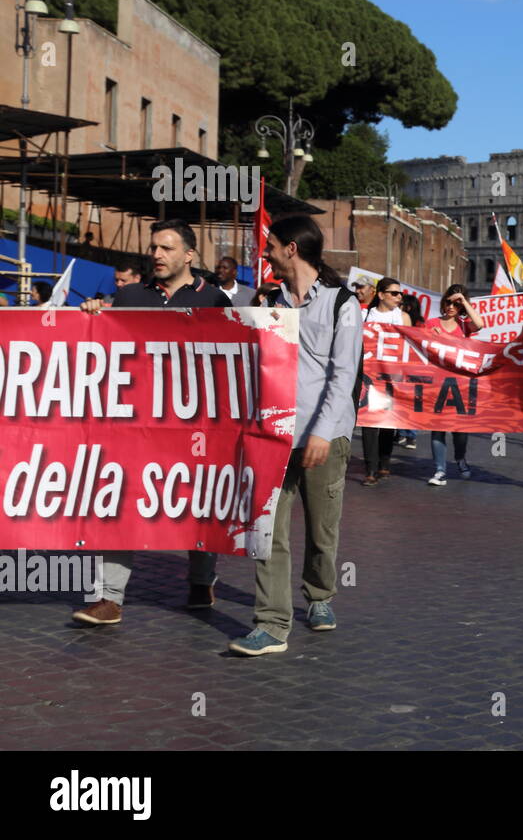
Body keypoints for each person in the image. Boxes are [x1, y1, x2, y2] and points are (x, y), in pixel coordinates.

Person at [71, 219, 232, 627]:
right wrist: (92, 315)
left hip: (194, 424)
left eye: (166, 248)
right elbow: (103, 348)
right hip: (133, 422)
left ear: (189, 255)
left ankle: (200, 578)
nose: (156, 255)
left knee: (197, 503)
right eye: (154, 247)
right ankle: (109, 598)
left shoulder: (215, 301)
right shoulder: (129, 297)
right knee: (120, 500)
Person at [229, 215, 362, 655]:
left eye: (269, 246)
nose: (263, 253)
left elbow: (343, 376)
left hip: (326, 434)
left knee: (323, 531)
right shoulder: (267, 299)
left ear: (291, 248)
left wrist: (323, 432)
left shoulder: (343, 303)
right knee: (268, 529)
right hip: (274, 433)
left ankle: (320, 595)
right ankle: (271, 623)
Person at [427, 283, 485, 485]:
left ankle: (460, 459)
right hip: (437, 382)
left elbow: (479, 324)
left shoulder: (463, 326)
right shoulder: (431, 323)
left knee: (460, 430)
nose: (451, 306)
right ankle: (440, 470)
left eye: (456, 303)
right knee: (438, 427)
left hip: (460, 384)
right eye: (448, 302)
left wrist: (465, 302)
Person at [359, 277, 411, 486]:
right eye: (394, 293)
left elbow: (410, 343)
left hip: (393, 376)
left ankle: (384, 462)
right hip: (369, 376)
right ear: (381, 295)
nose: (399, 297)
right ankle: (370, 468)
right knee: (368, 421)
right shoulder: (365, 315)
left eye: (400, 294)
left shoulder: (403, 317)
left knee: (388, 422)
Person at [394, 294, 426, 449]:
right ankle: (401, 433)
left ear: (409, 307)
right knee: (399, 400)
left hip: (413, 368)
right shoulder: (398, 320)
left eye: (402, 304)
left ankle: (411, 436)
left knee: (410, 402)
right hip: (401, 366)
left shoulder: (420, 324)